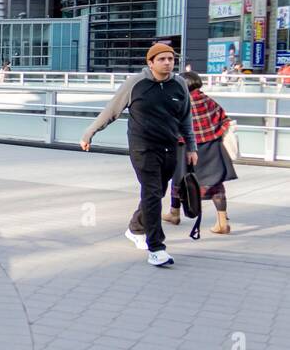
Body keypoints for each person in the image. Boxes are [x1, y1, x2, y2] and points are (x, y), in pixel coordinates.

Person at [81, 43, 197, 267]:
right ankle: (156, 248)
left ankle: (135, 228)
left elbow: (185, 118)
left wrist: (192, 147)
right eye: (162, 59)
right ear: (150, 62)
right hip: (143, 147)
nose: (167, 63)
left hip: (170, 147)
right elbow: (111, 110)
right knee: (153, 193)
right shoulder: (136, 83)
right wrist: (89, 132)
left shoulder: (179, 84)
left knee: (157, 193)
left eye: (170, 59)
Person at [163, 72, 237, 235]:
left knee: (179, 180)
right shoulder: (207, 100)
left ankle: (174, 213)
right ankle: (222, 222)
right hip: (211, 148)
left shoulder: (178, 102)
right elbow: (223, 119)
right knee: (215, 183)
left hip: (186, 149)